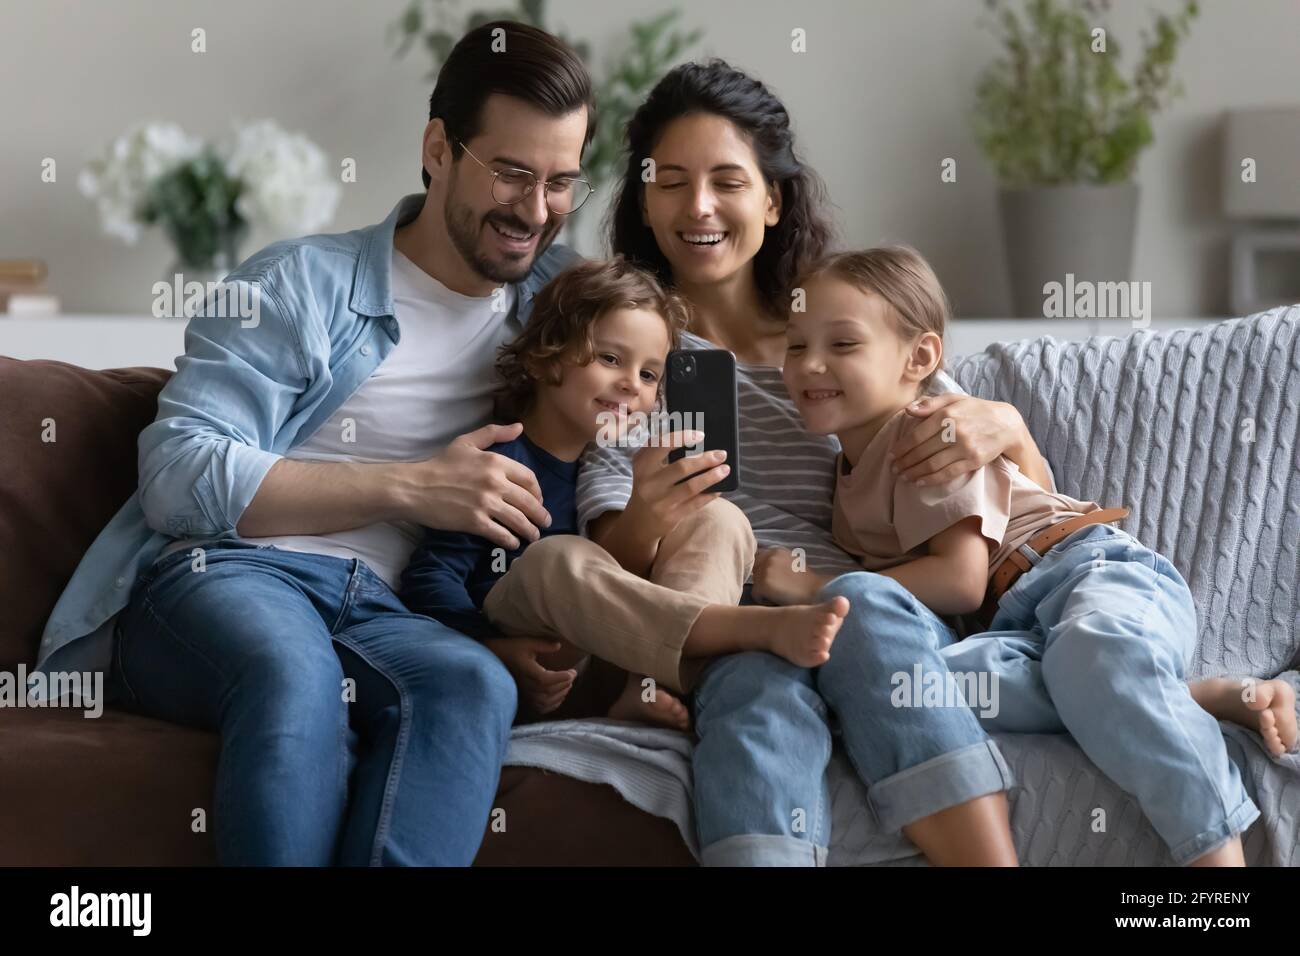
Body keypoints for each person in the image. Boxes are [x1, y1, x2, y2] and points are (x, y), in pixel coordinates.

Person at [37, 20, 596, 865]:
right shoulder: (300, 283)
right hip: (224, 574)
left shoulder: (559, 310)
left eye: (562, 183)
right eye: (513, 173)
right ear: (438, 148)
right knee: (293, 675)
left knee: (471, 683)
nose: (536, 210)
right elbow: (181, 475)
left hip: (382, 610)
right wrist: (408, 487)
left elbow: (670, 351)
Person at [574, 59, 1061, 866]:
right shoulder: (633, 358)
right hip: (742, 630)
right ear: (645, 202)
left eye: (728, 180)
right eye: (672, 182)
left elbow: (1025, 517)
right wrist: (650, 520)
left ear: (772, 199)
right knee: (753, 690)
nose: (699, 206)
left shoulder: (848, 333)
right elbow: (606, 571)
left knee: (867, 618)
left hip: (883, 619)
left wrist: (1007, 426)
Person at [762, 245, 1296, 866]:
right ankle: (1198, 697)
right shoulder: (848, 472)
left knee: (1093, 651)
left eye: (843, 345)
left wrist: (816, 585)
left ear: (920, 358)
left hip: (1084, 570)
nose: (810, 365)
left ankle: (1217, 865)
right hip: (1019, 624)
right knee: (917, 690)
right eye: (796, 346)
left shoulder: (927, 436)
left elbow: (960, 581)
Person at [401, 256, 851, 729]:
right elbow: (429, 577)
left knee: (719, 517)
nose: (630, 385)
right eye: (610, 359)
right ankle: (742, 629)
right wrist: (489, 648)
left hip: (614, 666)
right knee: (558, 557)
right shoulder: (500, 463)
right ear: (543, 355)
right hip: (536, 667)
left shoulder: (614, 467)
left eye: (650, 375)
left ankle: (652, 686)